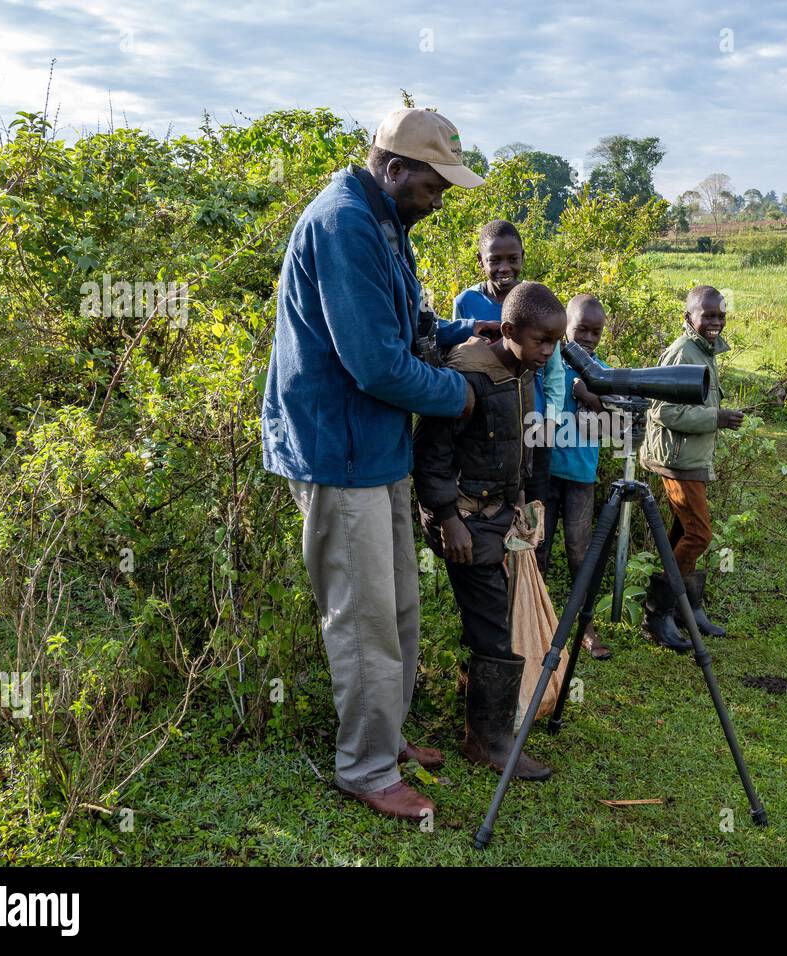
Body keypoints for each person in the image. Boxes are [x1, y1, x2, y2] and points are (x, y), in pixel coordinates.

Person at [261, 107, 490, 824]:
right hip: (339, 449)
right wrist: (460, 392)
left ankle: (384, 737)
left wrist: (466, 330)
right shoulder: (344, 224)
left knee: (397, 608)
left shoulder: (387, 222)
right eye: (433, 187)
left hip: (378, 447)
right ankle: (363, 767)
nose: (438, 201)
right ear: (394, 169)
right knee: (361, 619)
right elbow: (374, 363)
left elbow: (408, 323)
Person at [413, 281, 567, 781]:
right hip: (463, 519)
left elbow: (516, 448)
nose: (549, 351)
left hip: (499, 514)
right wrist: (447, 520)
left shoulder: (523, 370)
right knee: (494, 628)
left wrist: (520, 500)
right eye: (541, 340)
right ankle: (490, 740)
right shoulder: (468, 376)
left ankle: (480, 706)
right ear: (507, 331)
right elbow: (431, 457)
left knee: (494, 614)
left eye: (555, 341)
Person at [639, 285, 743, 652]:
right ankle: (658, 613)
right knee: (698, 534)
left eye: (719, 315)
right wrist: (716, 418)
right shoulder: (683, 352)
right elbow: (661, 410)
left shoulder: (705, 350)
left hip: (692, 457)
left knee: (681, 533)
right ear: (688, 317)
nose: (715, 322)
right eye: (707, 316)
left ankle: (686, 609)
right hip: (677, 459)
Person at [452, 220, 561, 512]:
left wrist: (550, 420)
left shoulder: (535, 300)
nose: (504, 268)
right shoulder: (467, 302)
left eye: (513, 259)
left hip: (532, 422)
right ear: (480, 261)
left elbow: (554, 372)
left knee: (533, 508)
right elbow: (458, 359)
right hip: (486, 425)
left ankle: (534, 558)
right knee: (492, 505)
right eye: (494, 260)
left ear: (523, 256)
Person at [540, 293, 613, 659]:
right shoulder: (551, 361)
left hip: (582, 476)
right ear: (566, 326)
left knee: (580, 552)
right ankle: (535, 623)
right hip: (547, 472)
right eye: (581, 329)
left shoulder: (602, 372)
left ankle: (585, 626)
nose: (587, 338)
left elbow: (612, 424)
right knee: (538, 546)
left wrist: (591, 396)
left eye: (596, 332)